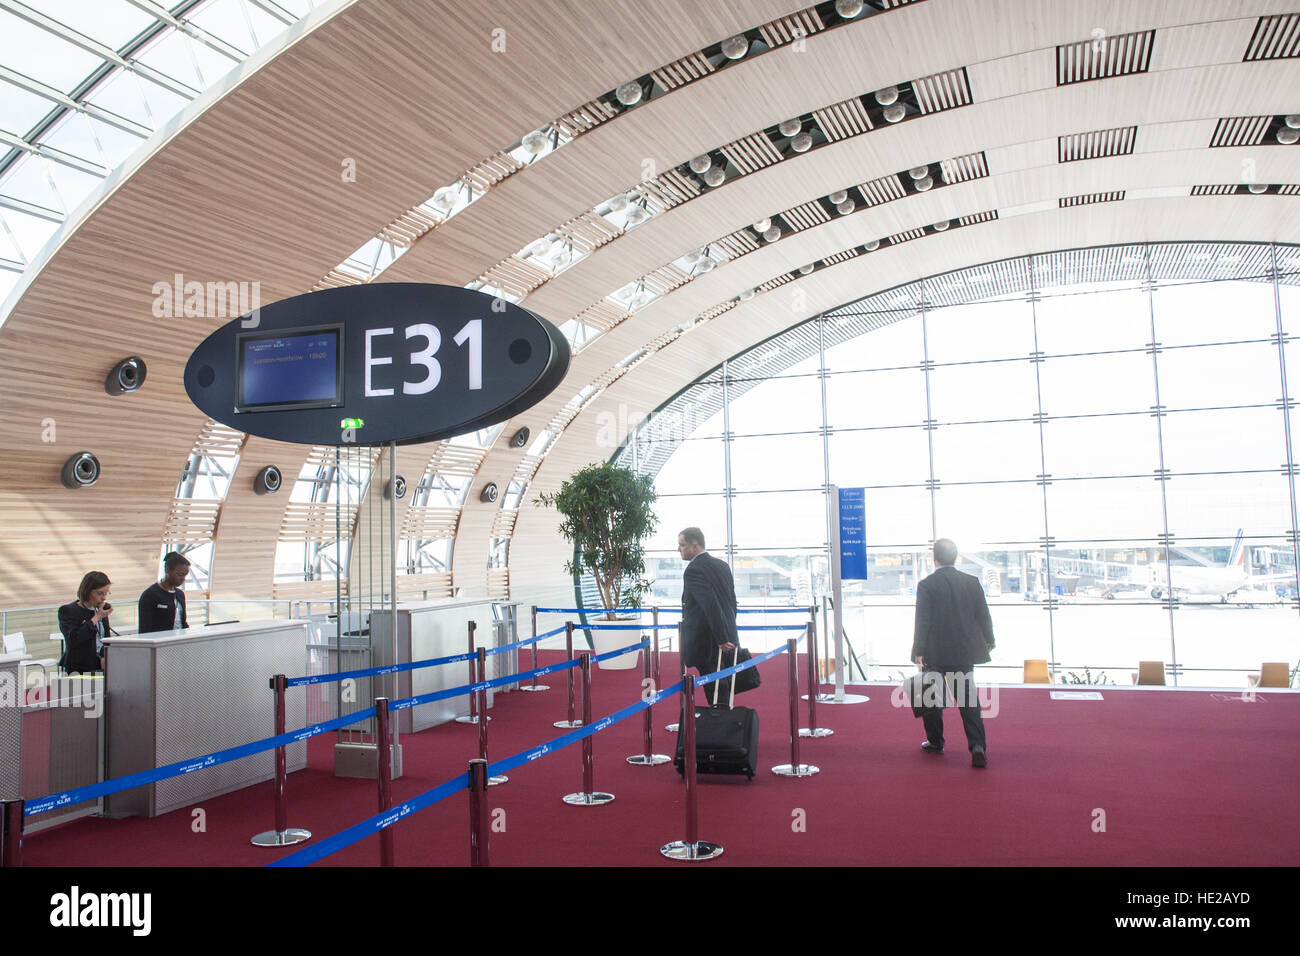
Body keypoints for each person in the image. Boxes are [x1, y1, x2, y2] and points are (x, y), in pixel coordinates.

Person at [911, 538, 996, 768]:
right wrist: (990, 640)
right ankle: (977, 746)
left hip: (935, 652)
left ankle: (936, 742)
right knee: (969, 700)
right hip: (963, 652)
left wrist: (918, 651)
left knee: (930, 698)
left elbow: (923, 621)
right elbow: (983, 615)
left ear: (934, 558)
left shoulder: (927, 585)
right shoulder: (971, 582)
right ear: (956, 557)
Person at [676, 527, 738, 679]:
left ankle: (718, 704)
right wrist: (728, 631)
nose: (679, 549)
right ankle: (722, 704)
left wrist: (721, 638)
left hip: (707, 639)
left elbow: (710, 604)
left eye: (682, 545)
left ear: (695, 545)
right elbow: (732, 602)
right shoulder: (722, 565)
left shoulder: (693, 569)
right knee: (724, 683)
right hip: (727, 635)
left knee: (714, 685)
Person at [58, 571, 112, 673]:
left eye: (106, 593)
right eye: (100, 593)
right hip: (79, 668)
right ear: (87, 591)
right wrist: (96, 618)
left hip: (101, 666)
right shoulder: (68, 611)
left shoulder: (100, 610)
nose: (104, 597)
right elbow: (74, 639)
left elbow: (105, 639)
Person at [137, 552, 191, 634]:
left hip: (180, 641)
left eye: (185, 575)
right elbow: (145, 628)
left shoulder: (180, 594)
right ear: (167, 570)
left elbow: (182, 622)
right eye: (180, 574)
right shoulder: (150, 595)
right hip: (160, 642)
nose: (183, 579)